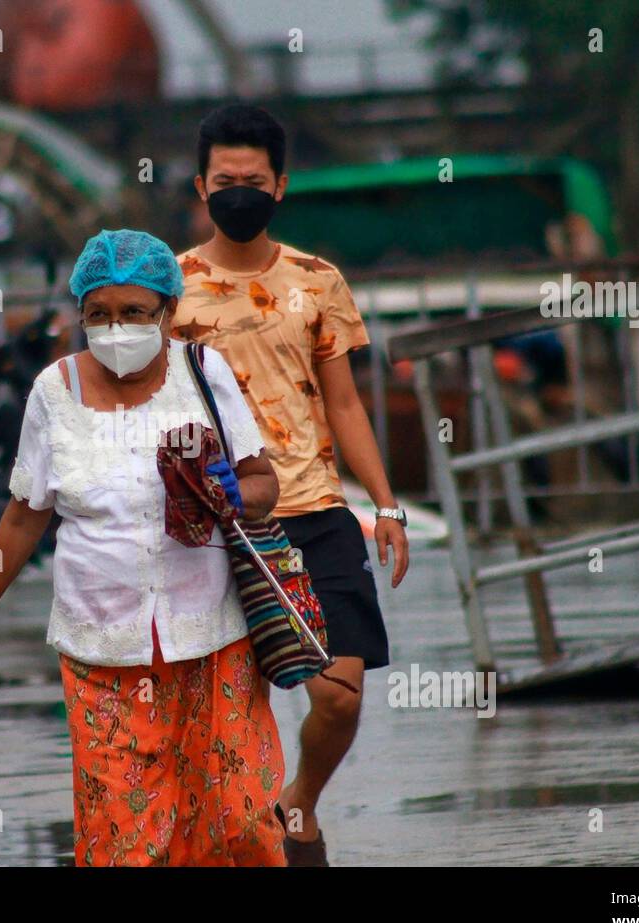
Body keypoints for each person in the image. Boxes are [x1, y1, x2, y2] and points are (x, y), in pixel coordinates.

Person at [0, 229, 287, 866]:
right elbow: (22, 518)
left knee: (238, 821)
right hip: (101, 651)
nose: (115, 328)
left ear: (168, 313)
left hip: (214, 639)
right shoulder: (54, 391)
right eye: (99, 314)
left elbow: (264, 484)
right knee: (125, 839)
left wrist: (236, 491)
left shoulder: (204, 374)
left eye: (133, 313)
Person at [173, 105, 410, 865]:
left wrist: (386, 506)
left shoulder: (318, 281)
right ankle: (255, 841)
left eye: (252, 181)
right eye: (223, 181)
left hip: (315, 511)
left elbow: (344, 403)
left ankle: (297, 801)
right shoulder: (170, 287)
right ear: (200, 185)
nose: (237, 192)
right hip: (219, 524)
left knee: (339, 694)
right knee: (233, 709)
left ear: (280, 186)